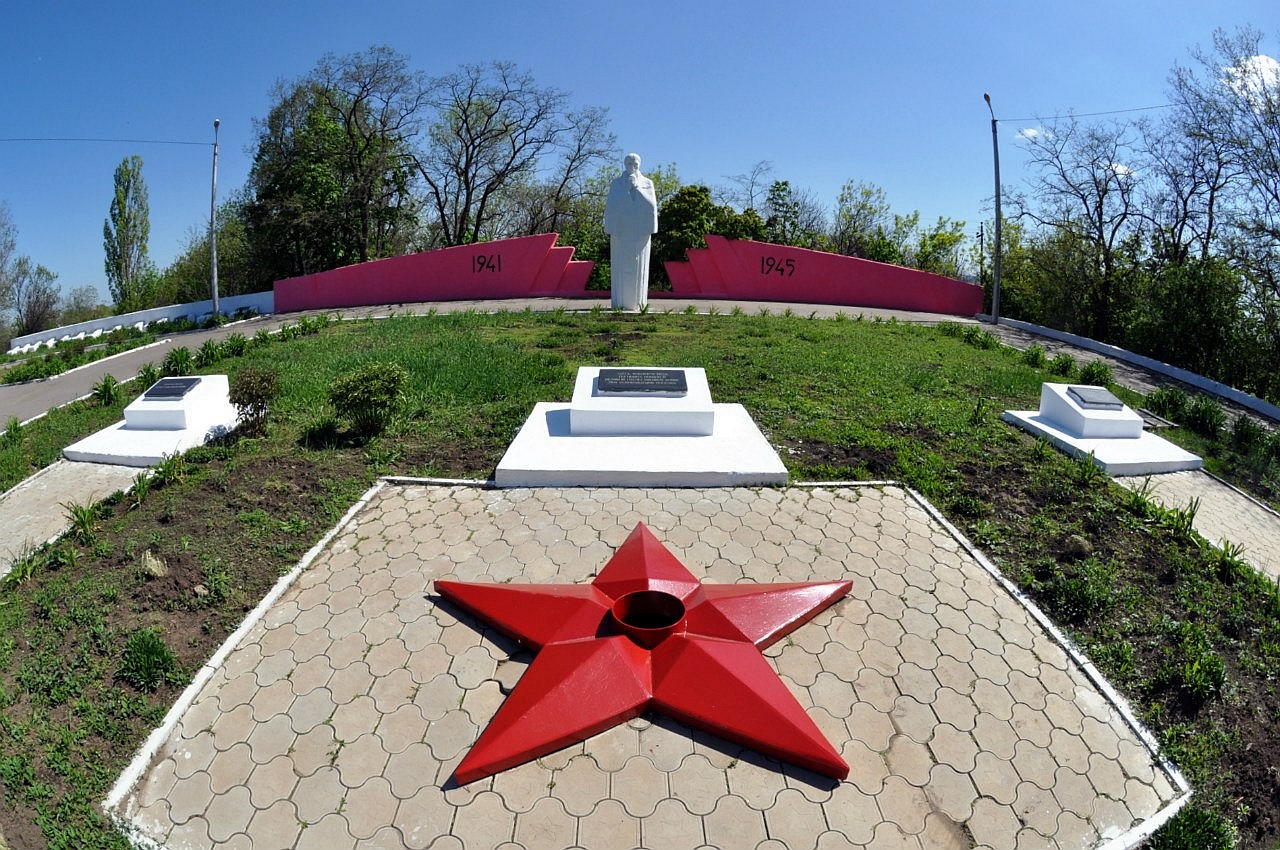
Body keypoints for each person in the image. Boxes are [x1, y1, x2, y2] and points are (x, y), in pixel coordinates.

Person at [604, 153, 659, 310]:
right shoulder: (617, 183)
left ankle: (638, 304)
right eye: (629, 163)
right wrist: (626, 189)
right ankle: (619, 304)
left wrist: (636, 188)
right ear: (624, 164)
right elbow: (611, 205)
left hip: (640, 232)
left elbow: (651, 206)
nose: (632, 166)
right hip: (621, 231)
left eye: (635, 163)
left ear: (639, 164)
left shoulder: (647, 183)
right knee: (621, 269)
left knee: (639, 268)